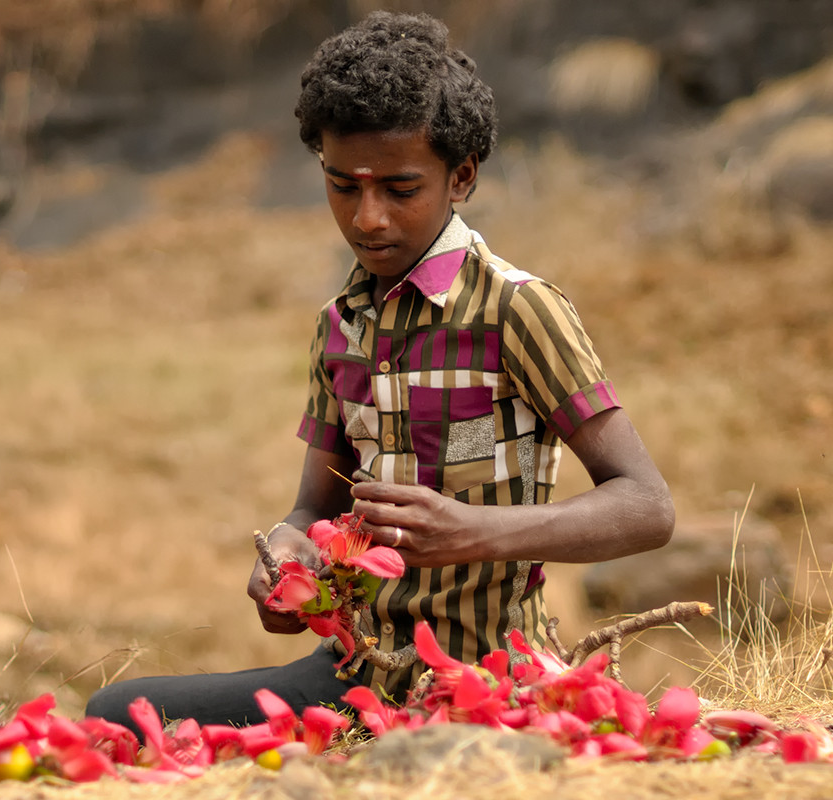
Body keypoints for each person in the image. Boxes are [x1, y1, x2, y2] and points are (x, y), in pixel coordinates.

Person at [84, 10, 674, 735]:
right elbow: (312, 509)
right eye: (343, 186)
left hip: (492, 682)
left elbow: (647, 506)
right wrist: (289, 562)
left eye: (400, 189)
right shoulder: (341, 327)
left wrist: (478, 532)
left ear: (461, 177)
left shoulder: (518, 310)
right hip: (361, 673)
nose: (368, 219)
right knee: (113, 715)